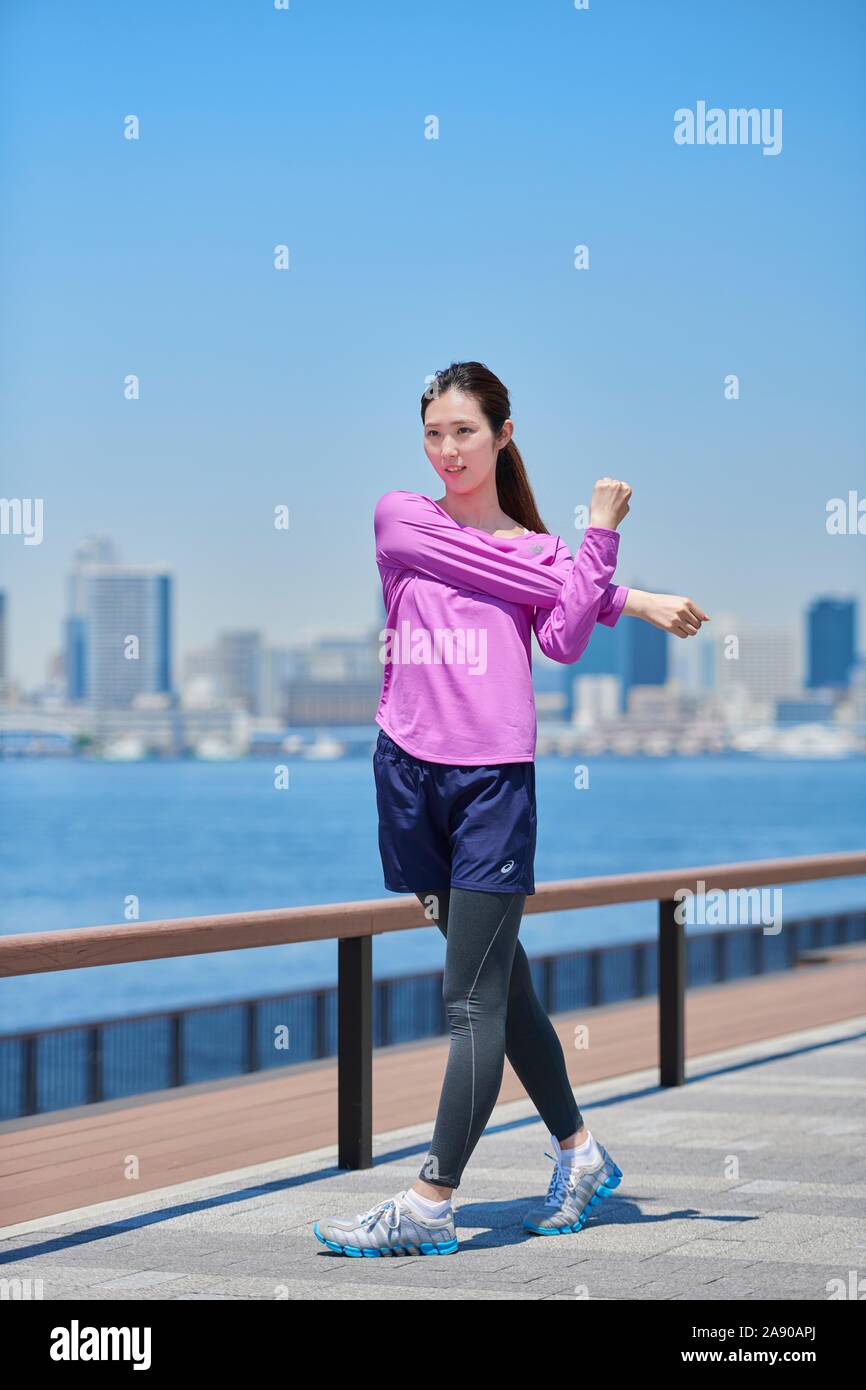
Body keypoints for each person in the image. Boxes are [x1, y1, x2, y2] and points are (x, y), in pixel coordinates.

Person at [313, 360, 709, 1257]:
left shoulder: (544, 554)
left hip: (493, 781)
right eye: (434, 434)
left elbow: (564, 639)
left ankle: (429, 1202)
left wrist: (595, 550)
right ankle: (582, 1154)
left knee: (470, 998)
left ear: (502, 435)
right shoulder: (402, 518)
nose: (447, 450)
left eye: (465, 432)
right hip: (408, 774)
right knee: (503, 980)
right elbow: (501, 568)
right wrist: (614, 590)